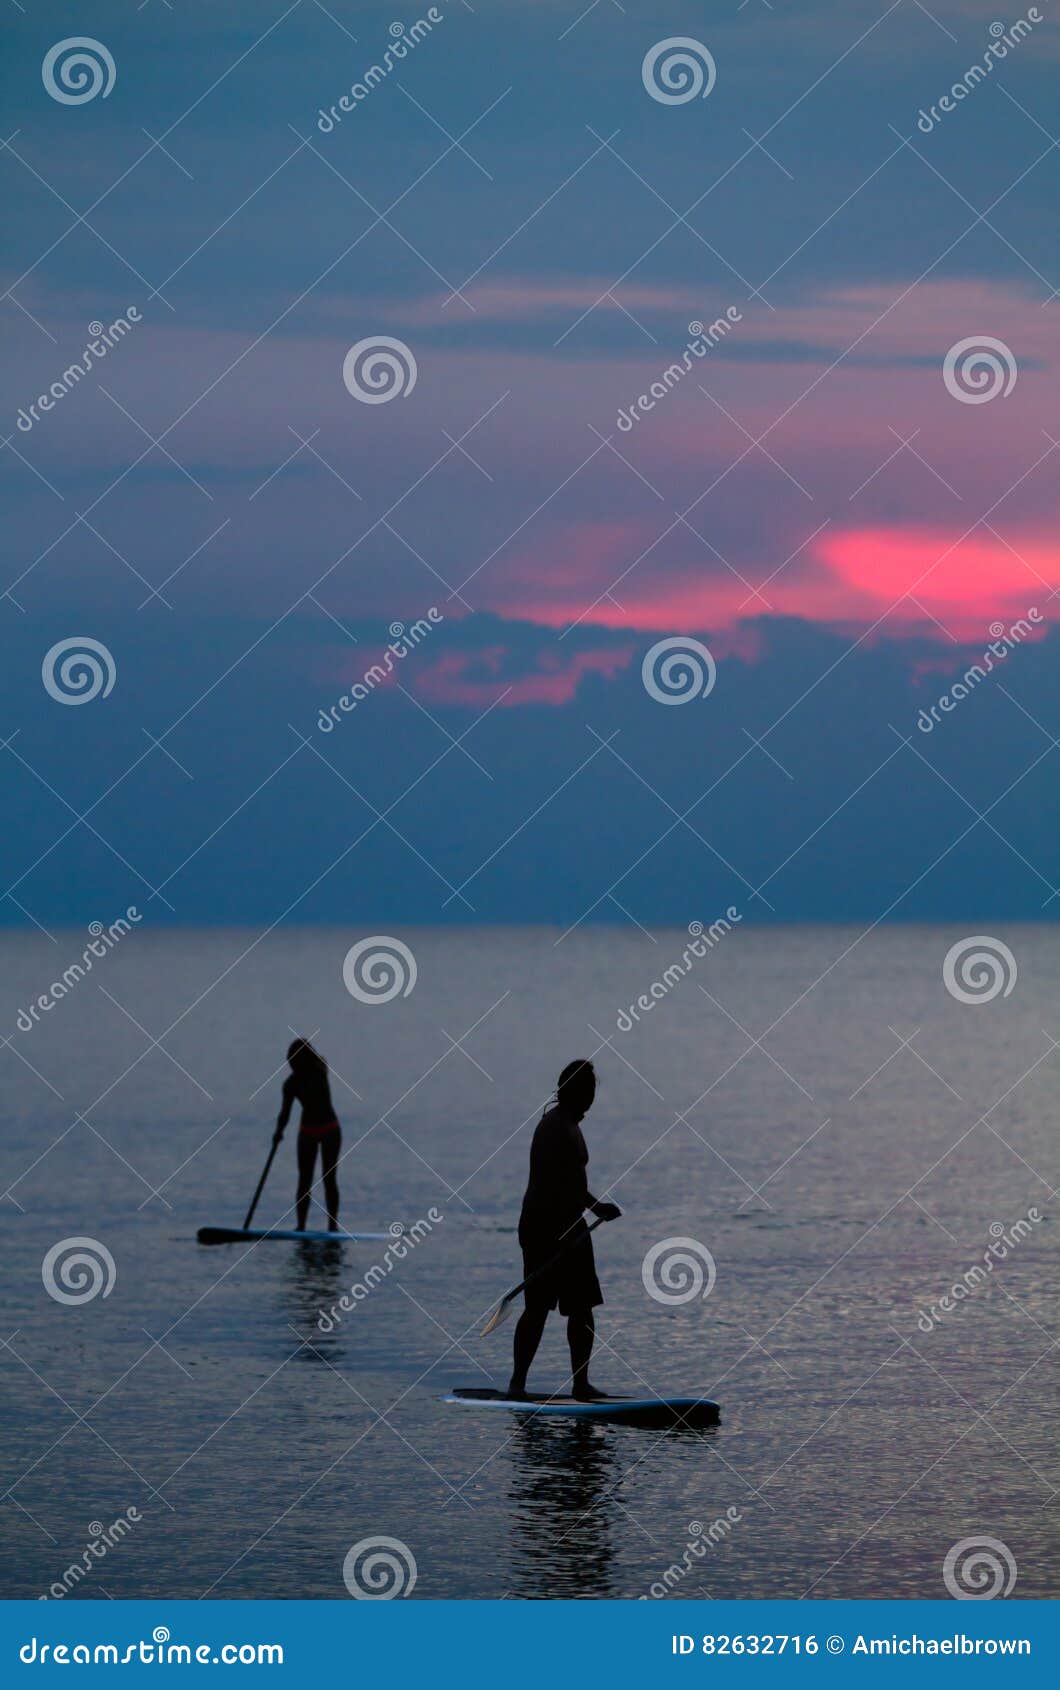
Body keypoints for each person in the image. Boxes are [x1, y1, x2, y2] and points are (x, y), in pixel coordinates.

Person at [508, 1059, 621, 1401]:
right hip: (546, 1229)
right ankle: (517, 1385)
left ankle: (581, 1384)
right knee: (538, 1307)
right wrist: (591, 1210)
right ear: (571, 1091)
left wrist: (593, 1209)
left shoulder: (570, 1123)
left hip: (571, 1226)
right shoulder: (554, 1127)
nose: (591, 1098)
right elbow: (555, 1185)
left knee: (582, 1308)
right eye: (586, 1091)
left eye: (592, 1091)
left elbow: (572, 1183)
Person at [274, 1039, 341, 1232]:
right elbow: (285, 1113)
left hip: (330, 1129)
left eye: (294, 1062)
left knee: (329, 1178)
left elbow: (319, 1061)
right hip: (307, 1132)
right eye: (290, 1064)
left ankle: (332, 1226)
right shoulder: (290, 1084)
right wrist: (279, 1131)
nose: (291, 1067)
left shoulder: (320, 1071)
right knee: (304, 1180)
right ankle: (301, 1226)